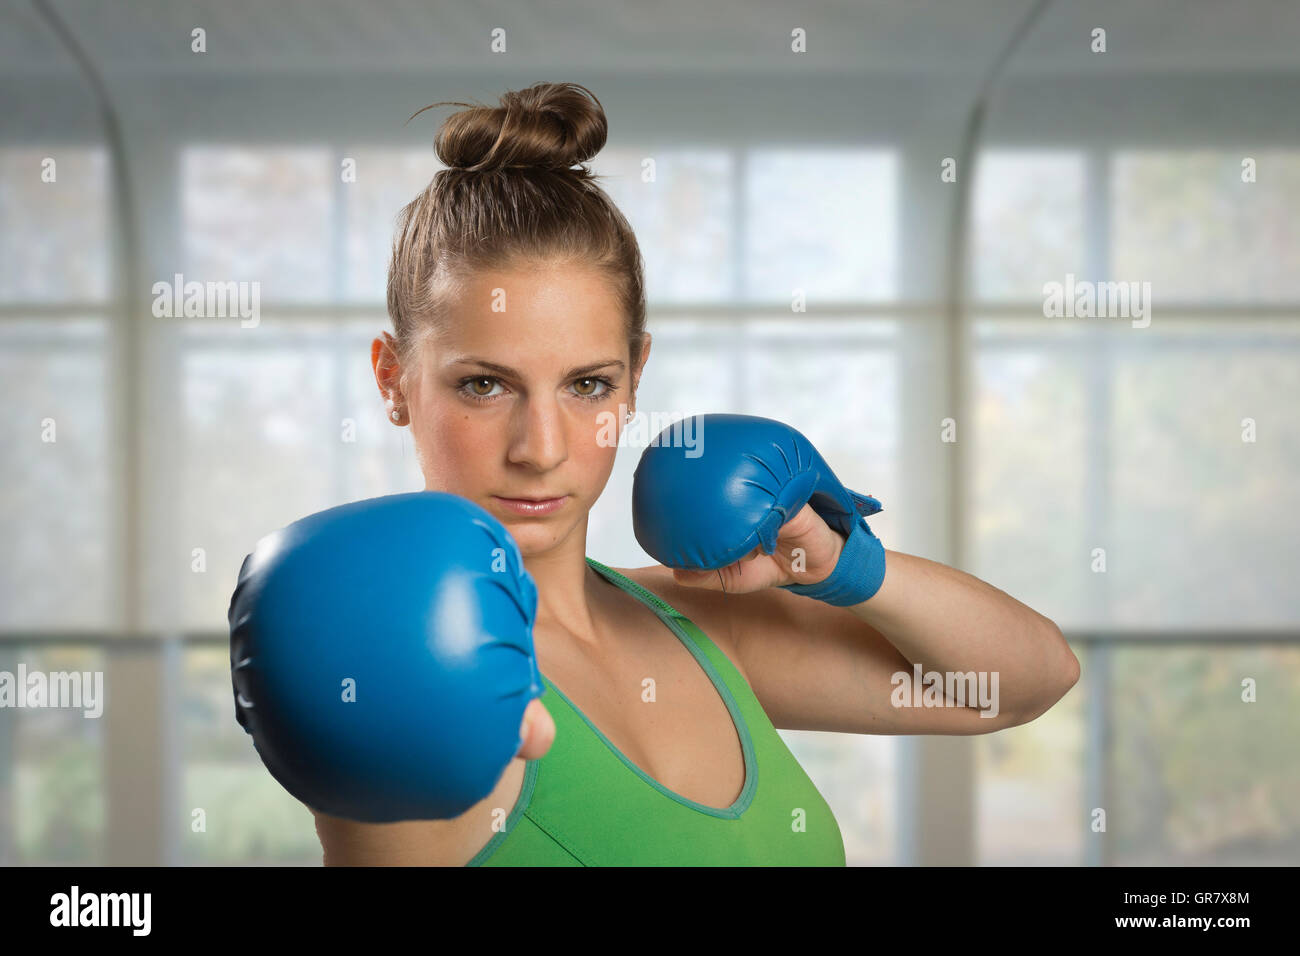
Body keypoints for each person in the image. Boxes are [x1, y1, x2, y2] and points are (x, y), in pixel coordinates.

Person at [313, 81, 1079, 865]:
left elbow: (1029, 681)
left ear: (636, 375)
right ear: (391, 379)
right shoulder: (400, 664)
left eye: (588, 385)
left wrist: (848, 564)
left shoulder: (703, 618)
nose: (540, 447)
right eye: (484, 384)